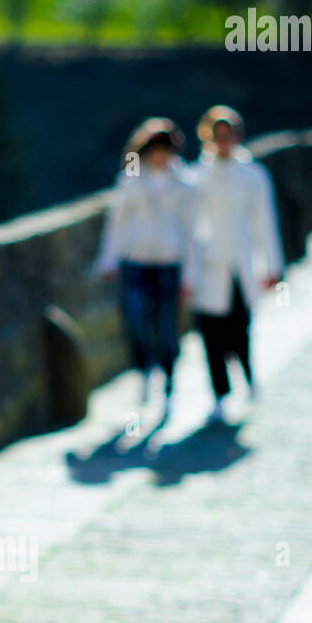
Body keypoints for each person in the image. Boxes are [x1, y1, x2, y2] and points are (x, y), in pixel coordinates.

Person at [185, 105, 284, 420]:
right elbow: (189, 228)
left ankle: (249, 378)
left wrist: (273, 267)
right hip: (208, 266)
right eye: (218, 135)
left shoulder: (253, 175)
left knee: (240, 329)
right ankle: (220, 393)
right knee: (211, 334)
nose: (224, 140)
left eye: (229, 135)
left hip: (241, 265)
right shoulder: (196, 176)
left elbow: (265, 223)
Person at [94, 117, 195, 414]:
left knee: (165, 326)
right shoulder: (131, 180)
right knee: (136, 321)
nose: (161, 156)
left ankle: (168, 379)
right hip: (136, 263)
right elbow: (117, 223)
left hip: (168, 263)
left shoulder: (184, 185)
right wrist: (108, 259)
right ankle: (143, 373)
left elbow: (190, 232)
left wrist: (191, 273)